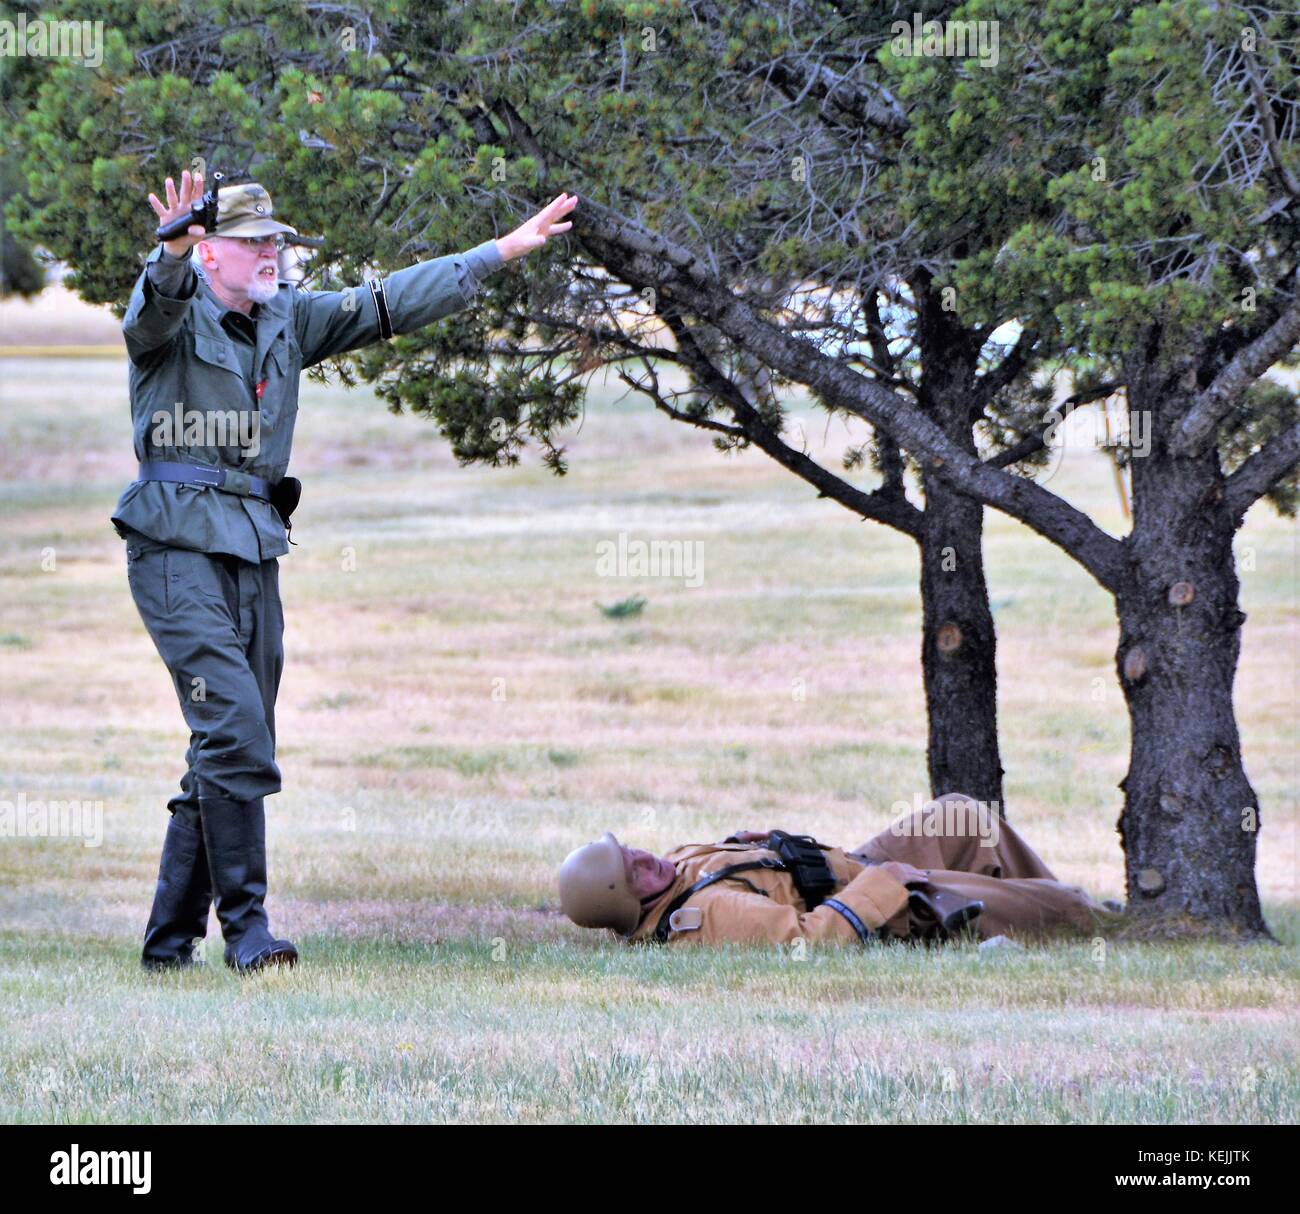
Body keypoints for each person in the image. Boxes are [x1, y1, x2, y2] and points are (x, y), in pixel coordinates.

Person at [122, 168, 578, 972]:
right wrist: (168, 252)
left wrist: (498, 252)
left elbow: (384, 304)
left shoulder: (286, 319)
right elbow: (149, 310)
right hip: (176, 545)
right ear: (209, 253)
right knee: (232, 728)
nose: (272, 253)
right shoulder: (172, 312)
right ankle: (249, 931)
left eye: (275, 241)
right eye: (253, 241)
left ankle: (167, 944)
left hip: (254, 543)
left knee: (228, 742)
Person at [559, 792, 1123, 946]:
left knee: (963, 815)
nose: (642, 857)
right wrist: (887, 883)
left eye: (629, 847)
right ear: (627, 901)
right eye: (631, 869)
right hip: (893, 902)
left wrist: (758, 846)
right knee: (1064, 906)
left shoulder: (676, 868)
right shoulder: (704, 917)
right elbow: (811, 939)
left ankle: (1025, 902)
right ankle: (1096, 921)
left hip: (852, 866)